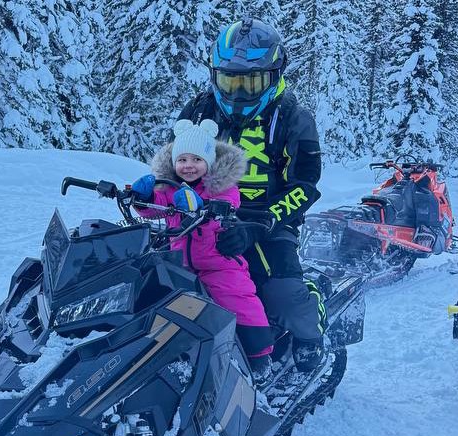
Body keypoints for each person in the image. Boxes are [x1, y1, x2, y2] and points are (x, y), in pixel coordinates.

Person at [177, 17, 327, 372]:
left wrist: (265, 221)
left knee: (282, 298)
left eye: (251, 82)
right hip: (199, 218)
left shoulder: (293, 118)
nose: (238, 93)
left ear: (273, 76)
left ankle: (312, 320)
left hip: (269, 223)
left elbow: (306, 185)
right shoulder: (199, 111)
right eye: (230, 81)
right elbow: (176, 162)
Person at [131, 118, 274, 382]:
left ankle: (259, 352)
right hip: (179, 263)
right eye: (182, 160)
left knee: (236, 297)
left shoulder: (222, 188)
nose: (188, 166)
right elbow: (154, 207)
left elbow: (227, 204)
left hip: (217, 261)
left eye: (196, 159)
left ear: (208, 162)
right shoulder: (169, 187)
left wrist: (200, 206)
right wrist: (144, 198)